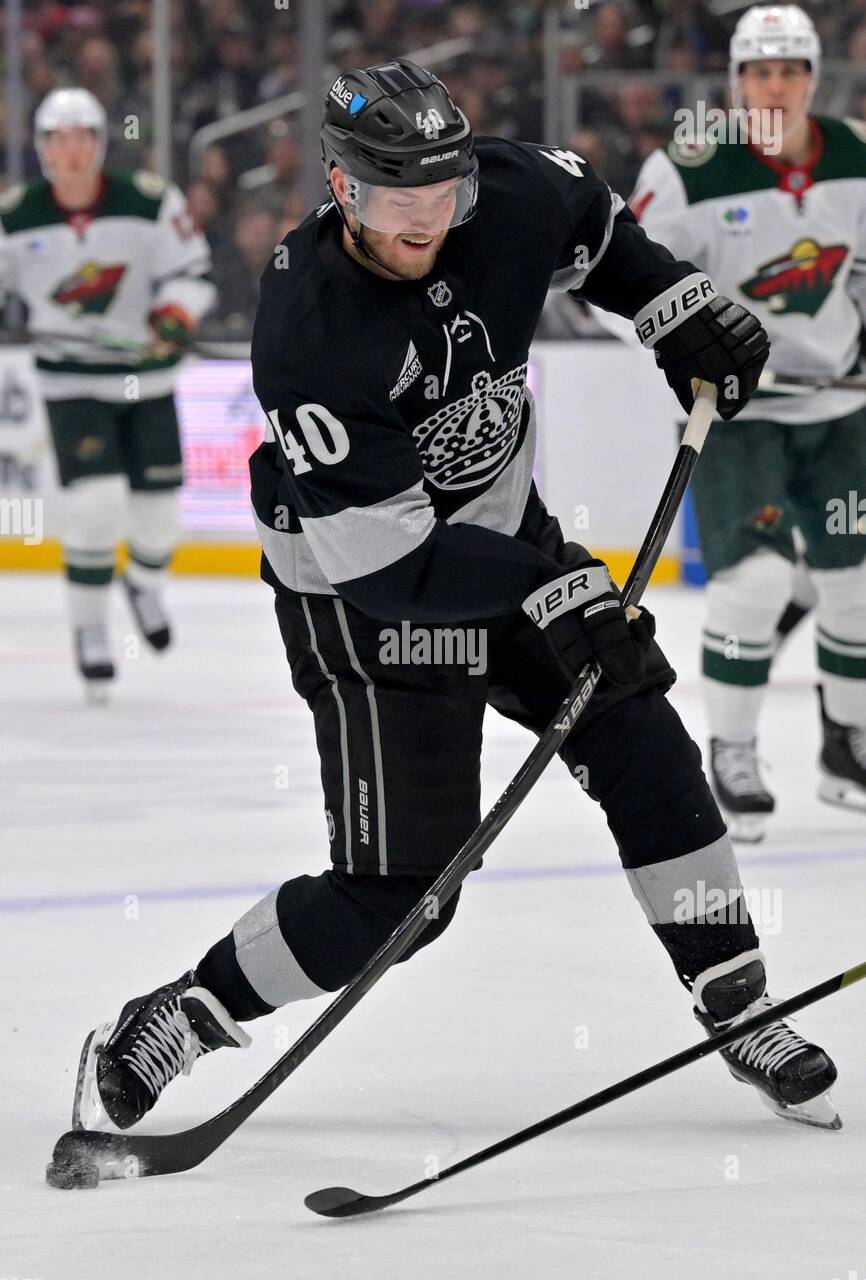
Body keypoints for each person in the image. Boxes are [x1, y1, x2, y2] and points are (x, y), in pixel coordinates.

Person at [71, 61, 840, 1138]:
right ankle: (188, 1011)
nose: (427, 223)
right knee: (403, 895)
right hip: (362, 596)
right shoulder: (310, 331)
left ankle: (738, 1000)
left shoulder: (507, 192)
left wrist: (675, 306)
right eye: (399, 203)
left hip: (497, 537)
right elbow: (393, 570)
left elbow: (597, 229)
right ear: (343, 190)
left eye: (445, 196)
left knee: (637, 730)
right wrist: (551, 585)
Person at [630, 5, 866, 841]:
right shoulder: (691, 170)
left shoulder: (857, 153)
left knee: (858, 584)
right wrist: (680, 342)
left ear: (811, 77)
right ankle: (733, 750)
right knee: (757, 583)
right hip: (742, 411)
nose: (775, 86)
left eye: (790, 71)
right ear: (736, 83)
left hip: (843, 408)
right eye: (759, 73)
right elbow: (624, 274)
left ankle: (847, 748)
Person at [0, 88, 215, 698]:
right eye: (58, 140)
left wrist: (174, 316)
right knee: (93, 505)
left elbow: (191, 272)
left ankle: (144, 584)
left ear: (99, 143)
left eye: (82, 138)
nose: (71, 152)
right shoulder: (15, 216)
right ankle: (90, 632)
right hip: (70, 381)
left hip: (146, 378)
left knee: (158, 518)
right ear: (43, 150)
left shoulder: (146, 202)